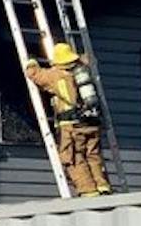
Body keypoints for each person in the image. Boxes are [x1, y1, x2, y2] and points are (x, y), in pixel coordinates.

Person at [26, 42, 112, 197]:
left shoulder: (55, 75)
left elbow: (34, 74)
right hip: (92, 123)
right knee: (93, 155)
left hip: (72, 126)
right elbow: (87, 58)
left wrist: (32, 60)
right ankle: (102, 185)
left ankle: (89, 191)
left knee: (73, 158)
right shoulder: (83, 70)